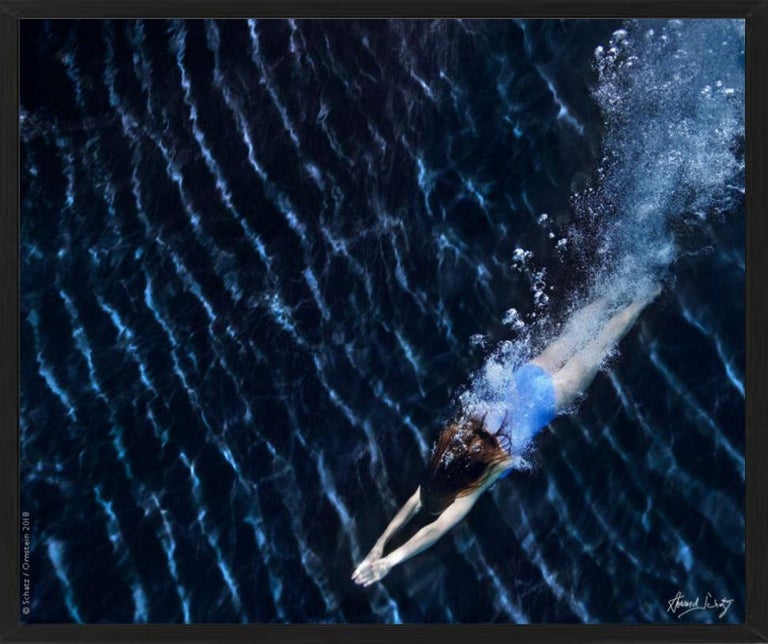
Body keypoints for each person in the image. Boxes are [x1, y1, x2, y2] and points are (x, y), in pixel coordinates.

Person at [351, 283, 660, 587]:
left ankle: (646, 294)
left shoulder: (480, 478)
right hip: (526, 375)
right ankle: (617, 286)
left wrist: (389, 561)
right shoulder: (449, 448)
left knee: (603, 341)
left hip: (550, 398)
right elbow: (414, 503)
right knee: (570, 335)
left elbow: (433, 529)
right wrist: (378, 547)